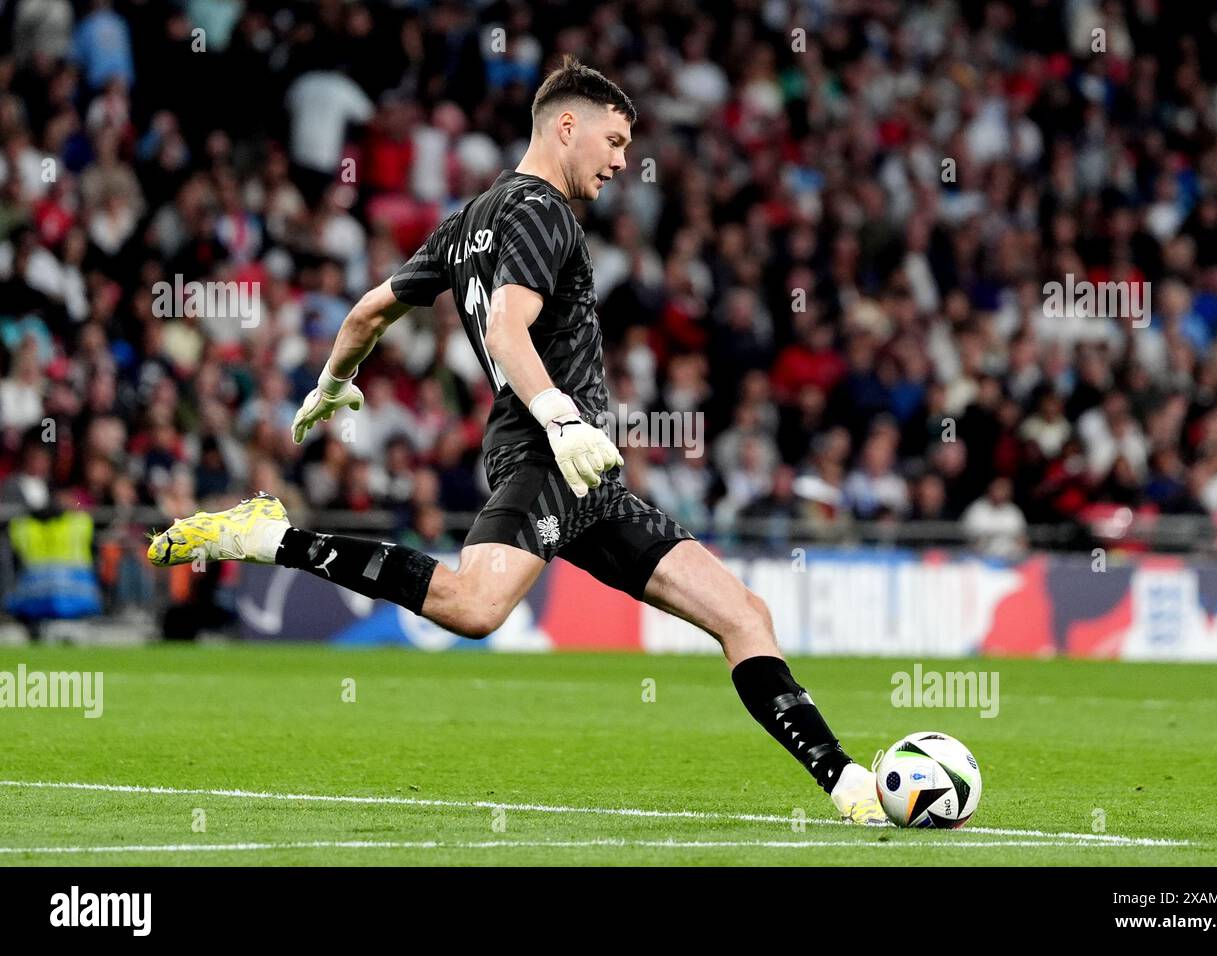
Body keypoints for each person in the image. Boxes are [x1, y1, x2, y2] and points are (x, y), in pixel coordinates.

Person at [148, 57, 885, 825]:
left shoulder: (470, 220)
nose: (622, 160)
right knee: (473, 608)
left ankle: (847, 784)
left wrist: (333, 383)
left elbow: (369, 311)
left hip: (585, 478)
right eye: (615, 138)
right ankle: (271, 538)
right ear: (566, 126)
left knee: (743, 613)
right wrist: (561, 419)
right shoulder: (542, 211)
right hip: (546, 451)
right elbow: (506, 327)